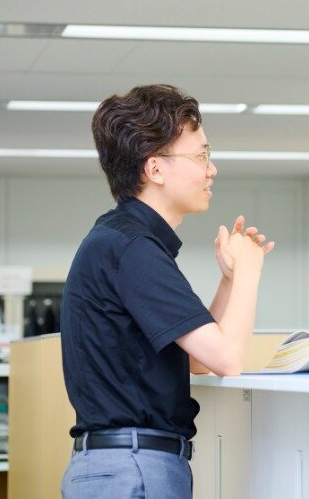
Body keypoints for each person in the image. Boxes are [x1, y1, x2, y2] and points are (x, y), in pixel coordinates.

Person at [60, 84, 274, 498]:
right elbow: (228, 359)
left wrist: (230, 279)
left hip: (125, 466)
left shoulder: (121, 239)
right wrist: (251, 270)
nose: (212, 170)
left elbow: (198, 359)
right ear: (155, 169)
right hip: (132, 467)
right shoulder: (132, 248)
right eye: (201, 156)